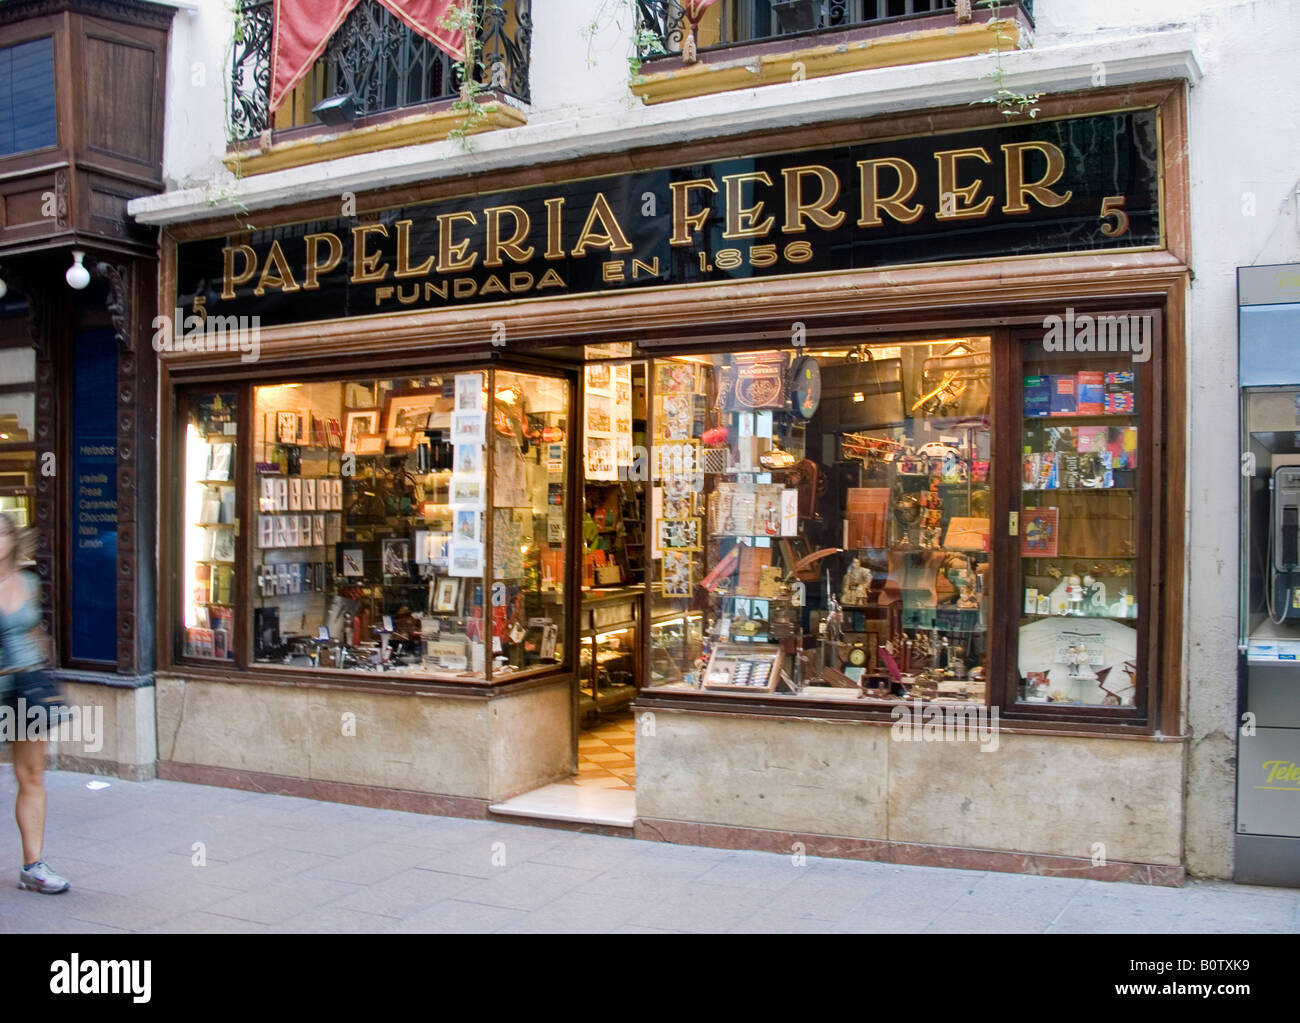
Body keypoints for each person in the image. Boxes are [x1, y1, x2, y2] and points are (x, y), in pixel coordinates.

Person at [0, 512, 69, 894]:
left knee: (31, 776)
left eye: (1, 533)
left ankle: (34, 866)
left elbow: (36, 630)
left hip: (26, 685)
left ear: (12, 538)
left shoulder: (28, 582)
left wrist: (47, 675)